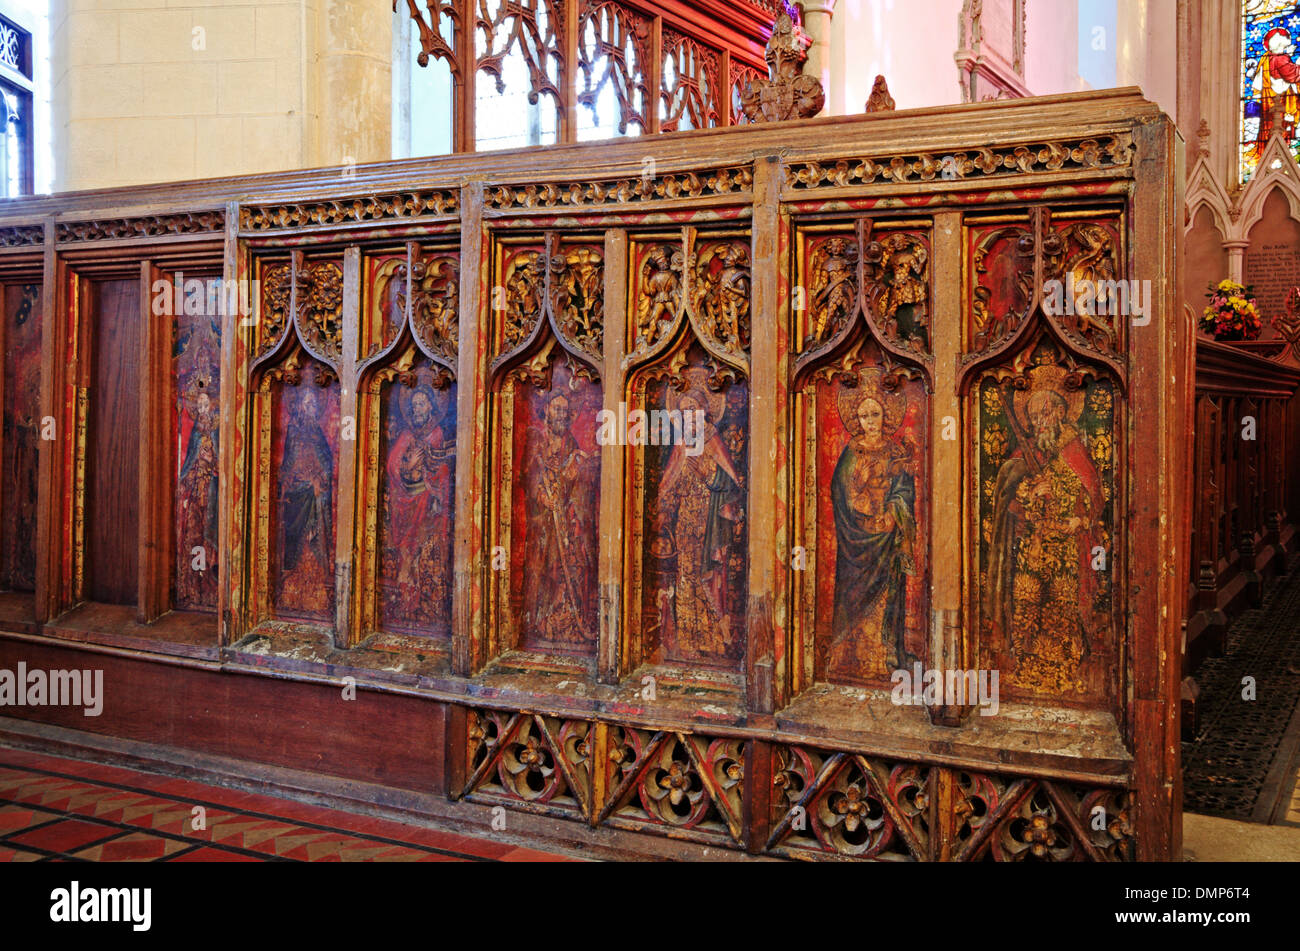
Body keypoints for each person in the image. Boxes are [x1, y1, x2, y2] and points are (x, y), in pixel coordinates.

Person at [986, 386, 1103, 693]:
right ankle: (1027, 667)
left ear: (1062, 412)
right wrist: (1027, 495)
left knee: (1061, 606)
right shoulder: (1026, 452)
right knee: (1028, 603)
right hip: (1031, 545)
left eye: (1046, 412)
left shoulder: (1074, 449)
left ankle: (1064, 669)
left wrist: (1080, 518)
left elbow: (1093, 494)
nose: (1040, 420)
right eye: (1034, 415)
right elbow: (1007, 497)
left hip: (1065, 545)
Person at [828, 391, 916, 678]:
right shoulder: (852, 452)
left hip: (887, 536)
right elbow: (840, 492)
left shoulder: (894, 452)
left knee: (888, 594)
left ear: (885, 416)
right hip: (857, 537)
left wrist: (893, 512)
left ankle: (886, 654)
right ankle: (851, 654)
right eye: (864, 416)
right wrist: (858, 503)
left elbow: (904, 490)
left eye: (875, 414)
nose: (870, 422)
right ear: (857, 420)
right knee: (854, 594)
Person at [654, 388, 743, 662]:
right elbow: (668, 485)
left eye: (693, 409)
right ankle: (689, 640)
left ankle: (714, 640)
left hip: (711, 525)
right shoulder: (682, 444)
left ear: (705, 411)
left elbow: (733, 486)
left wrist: (709, 475)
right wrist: (665, 503)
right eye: (684, 411)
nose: (689, 415)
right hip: (685, 523)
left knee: (710, 580)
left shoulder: (713, 441)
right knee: (686, 579)